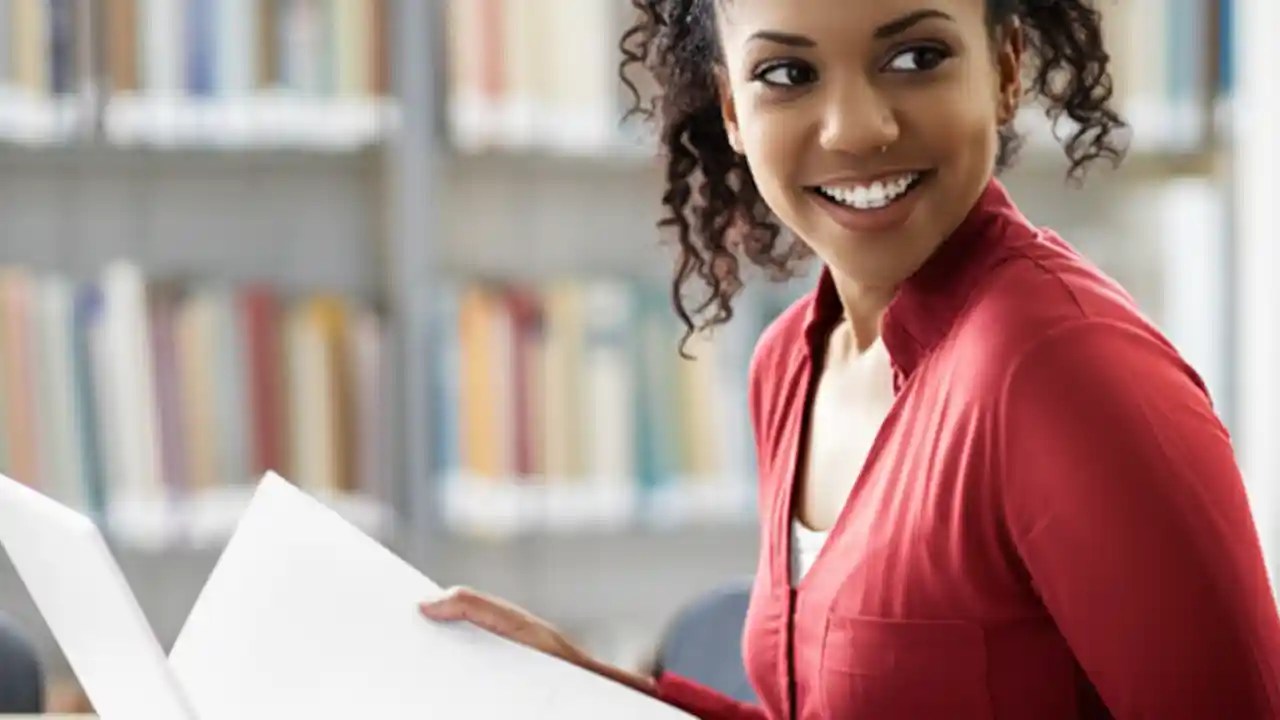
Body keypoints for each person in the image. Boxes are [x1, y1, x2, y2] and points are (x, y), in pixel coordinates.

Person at [421, 0, 1280, 717]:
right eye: (788, 75)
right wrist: (579, 686)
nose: (857, 127)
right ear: (732, 110)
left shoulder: (1062, 371)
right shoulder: (789, 366)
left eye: (916, 57)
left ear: (1007, 68)